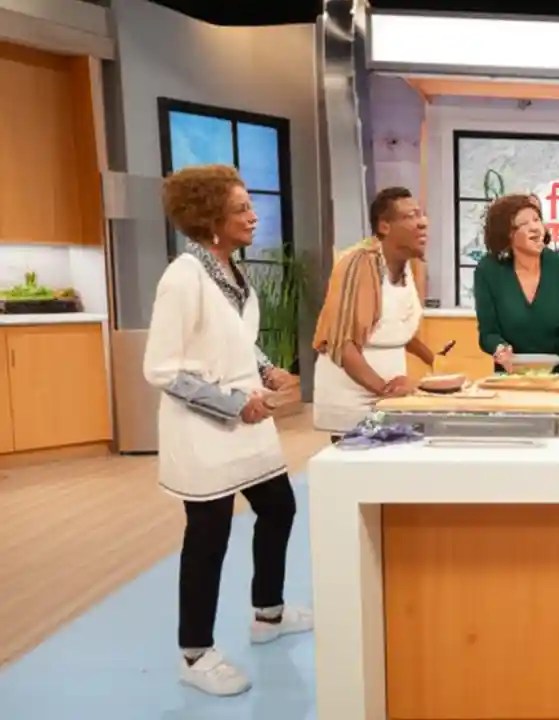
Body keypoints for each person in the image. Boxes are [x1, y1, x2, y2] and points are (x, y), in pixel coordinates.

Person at [142, 164, 311, 697]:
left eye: (249, 205)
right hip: (206, 430)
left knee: (279, 507)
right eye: (240, 208)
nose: (253, 215)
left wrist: (266, 370)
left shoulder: (231, 271)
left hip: (248, 421)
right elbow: (163, 368)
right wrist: (234, 405)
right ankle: (195, 653)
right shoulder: (183, 276)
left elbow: (237, 337)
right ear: (209, 217)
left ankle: (268, 612)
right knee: (208, 535)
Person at [312, 187, 434, 439]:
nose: (422, 223)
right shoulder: (358, 264)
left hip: (388, 396)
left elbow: (392, 328)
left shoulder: (408, 266)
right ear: (385, 226)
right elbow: (342, 344)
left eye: (422, 215)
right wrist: (384, 389)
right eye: (411, 216)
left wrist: (435, 361)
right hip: (354, 396)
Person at [473, 193, 559, 374]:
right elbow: (488, 333)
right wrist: (500, 349)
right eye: (524, 224)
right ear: (508, 234)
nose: (535, 228)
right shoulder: (488, 270)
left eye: (537, 220)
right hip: (510, 376)